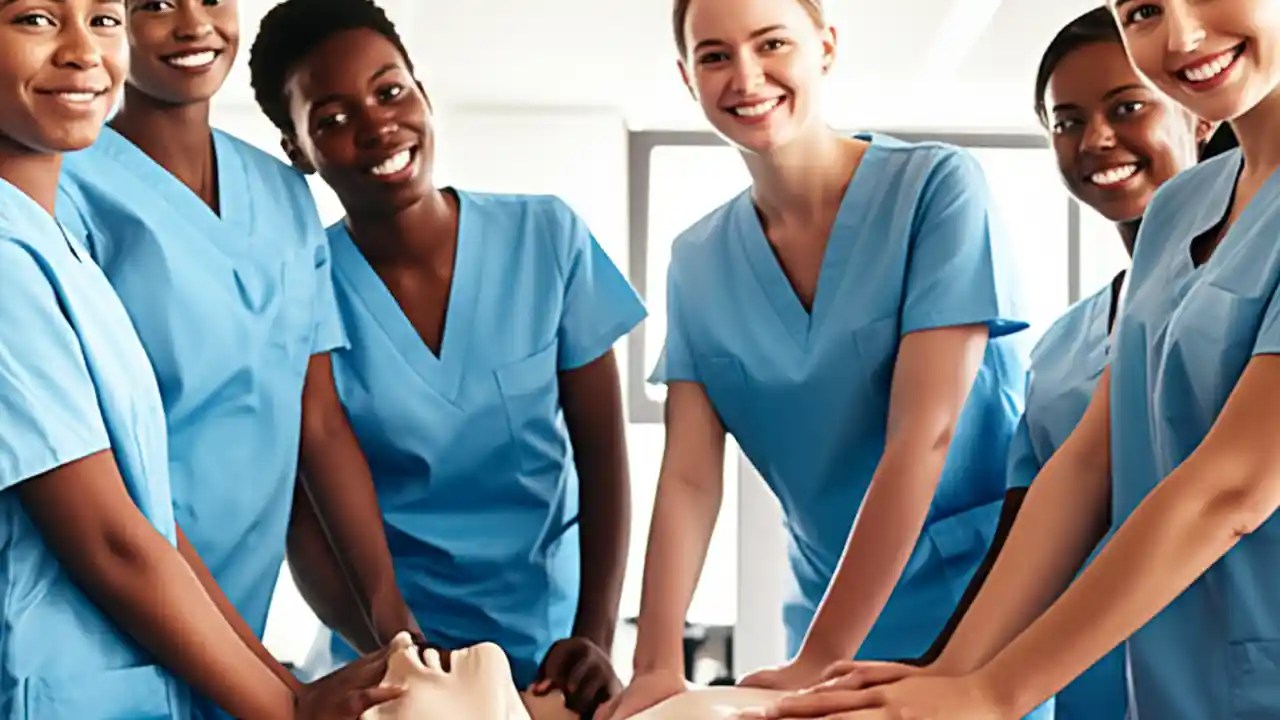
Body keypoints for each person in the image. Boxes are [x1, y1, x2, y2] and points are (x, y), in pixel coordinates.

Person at [756, 0, 1280, 718]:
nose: (1182, 36)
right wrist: (954, 671)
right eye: (1144, 11)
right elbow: (1089, 461)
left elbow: (1236, 487)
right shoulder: (1176, 213)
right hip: (1172, 689)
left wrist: (998, 692)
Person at [600, 0, 1030, 715]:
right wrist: (654, 663)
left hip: (981, 607)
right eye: (714, 56)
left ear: (826, 47)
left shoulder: (935, 188)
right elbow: (688, 478)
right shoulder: (697, 259)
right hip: (827, 604)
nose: (746, 75)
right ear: (687, 76)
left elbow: (926, 434)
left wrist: (822, 660)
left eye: (772, 43)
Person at [248, 0, 646, 716]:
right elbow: (300, 514)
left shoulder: (547, 238)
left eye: (391, 90)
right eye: (332, 119)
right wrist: (396, 648)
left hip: (551, 658)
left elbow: (604, 462)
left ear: (423, 95)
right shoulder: (301, 286)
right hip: (388, 656)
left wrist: (595, 634)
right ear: (296, 149)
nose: (376, 126)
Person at [0, 0, 396, 717]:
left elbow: (148, 516)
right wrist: (289, 707)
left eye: (101, 19)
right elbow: (109, 537)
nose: (82, 51)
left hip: (156, 657)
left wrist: (290, 688)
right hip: (62, 673)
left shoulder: (50, 251)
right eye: (34, 19)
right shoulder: (17, 253)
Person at [897, 9, 1216, 720]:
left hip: (1224, 659)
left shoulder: (1240, 288)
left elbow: (1225, 494)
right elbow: (1026, 531)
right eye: (1065, 121)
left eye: (1126, 107)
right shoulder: (1063, 346)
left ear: (1196, 115)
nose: (1095, 139)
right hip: (1086, 683)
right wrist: (941, 672)